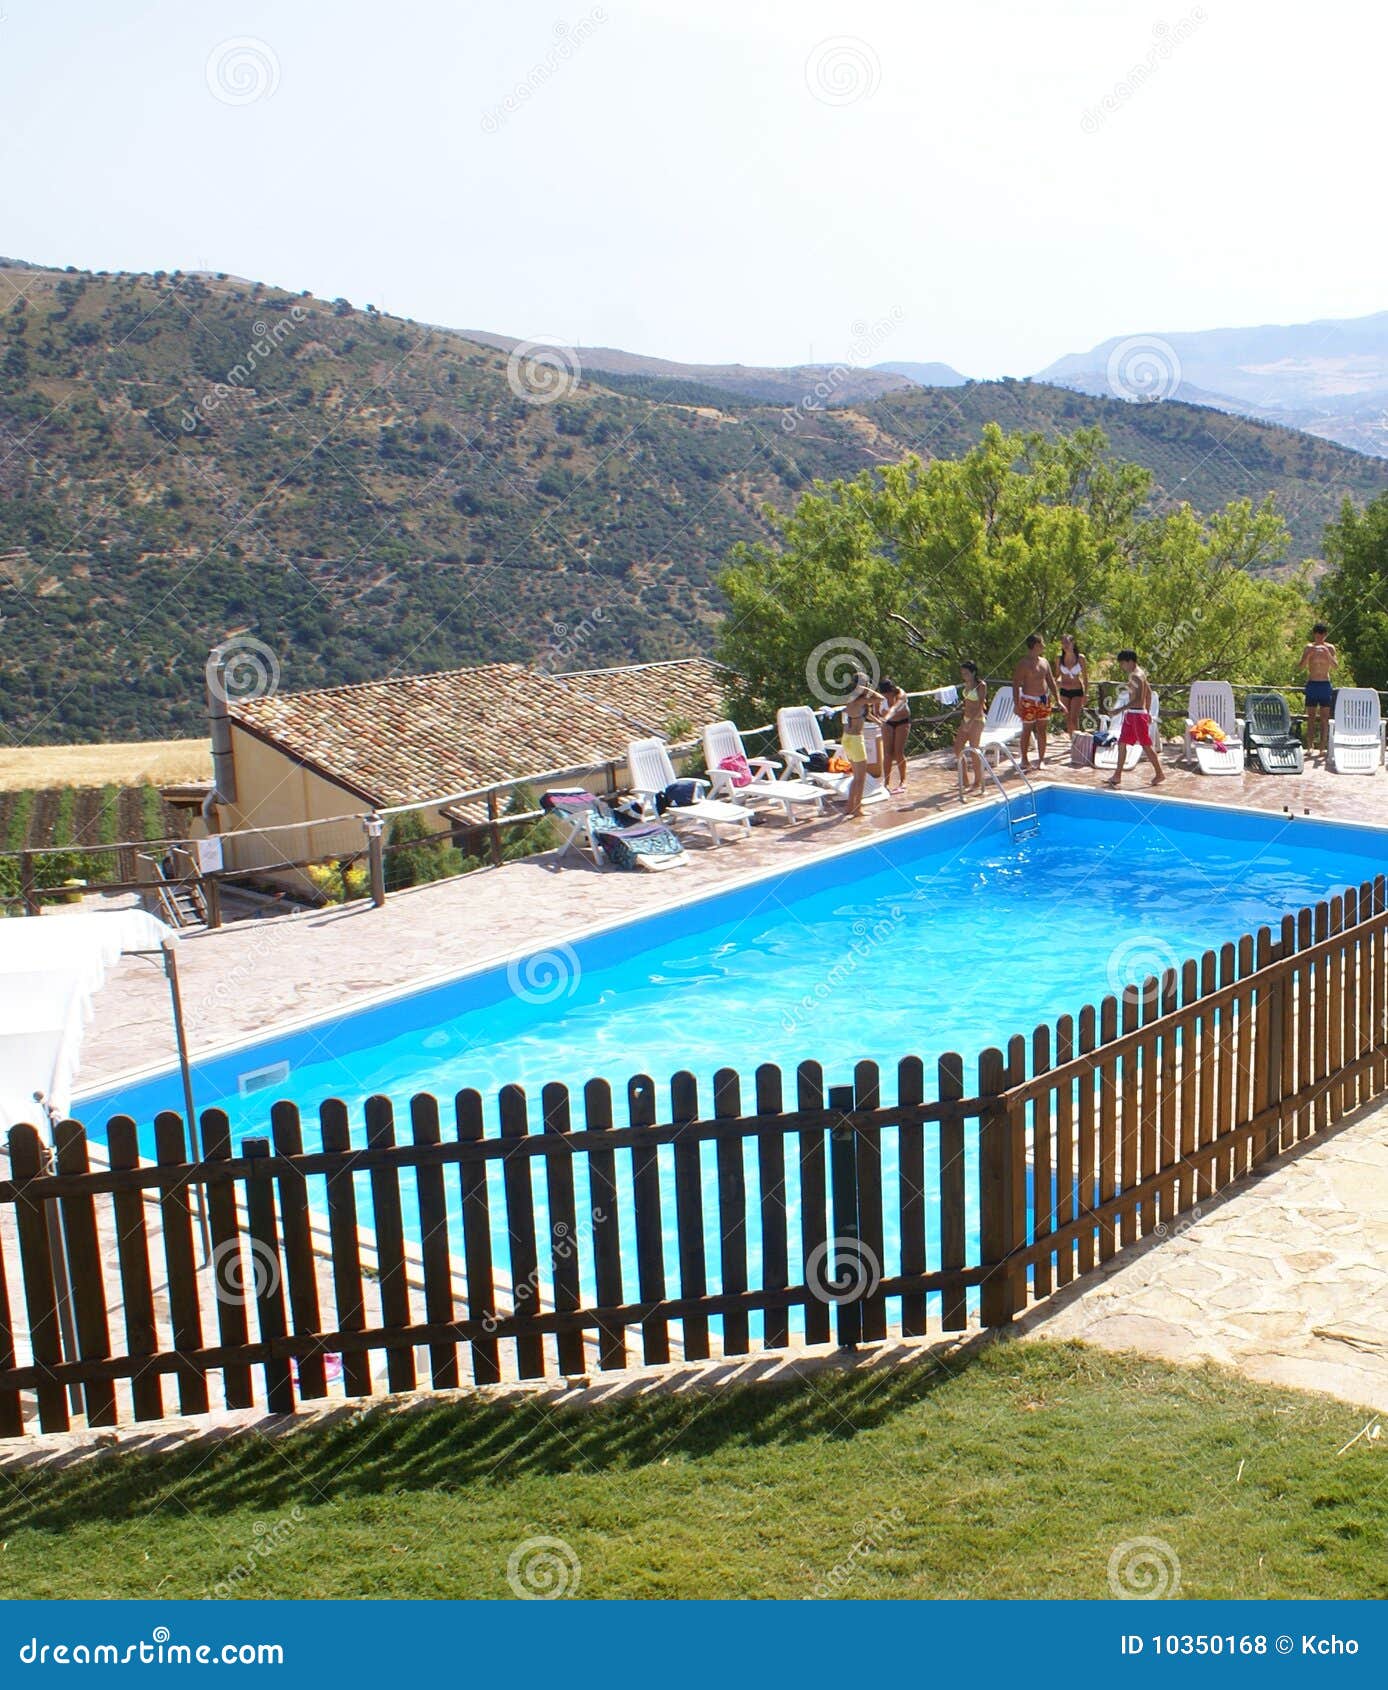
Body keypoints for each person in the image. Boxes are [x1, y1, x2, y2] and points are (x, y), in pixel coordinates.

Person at [1105, 650, 1165, 788]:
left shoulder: (1136, 676)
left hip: (1136, 715)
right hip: (1134, 714)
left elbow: (1138, 699)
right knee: (1122, 743)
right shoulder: (1140, 674)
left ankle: (1160, 773)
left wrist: (1119, 710)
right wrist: (1148, 712)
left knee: (1146, 745)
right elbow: (1149, 694)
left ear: (1129, 661)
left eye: (1122, 664)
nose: (1122, 667)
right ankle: (1117, 775)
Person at [839, 672, 884, 819]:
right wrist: (867, 688)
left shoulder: (855, 699)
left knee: (856, 776)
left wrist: (878, 722)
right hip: (855, 740)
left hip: (848, 738)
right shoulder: (859, 699)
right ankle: (857, 809)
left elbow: (864, 714)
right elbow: (880, 698)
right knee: (861, 777)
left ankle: (849, 807)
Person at [1012, 635, 1059, 770]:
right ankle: (1024, 759)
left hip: (1043, 699)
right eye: (1042, 643)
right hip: (1028, 700)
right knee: (1026, 730)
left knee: (1042, 730)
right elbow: (1015, 684)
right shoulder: (1023, 663)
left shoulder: (1044, 662)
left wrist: (1058, 699)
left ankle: (1041, 760)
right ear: (1035, 645)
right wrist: (1016, 704)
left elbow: (1051, 681)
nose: (1044, 646)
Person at [1298, 622, 1338, 757]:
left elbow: (1335, 666)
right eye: (1317, 636)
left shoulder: (1330, 648)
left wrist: (1327, 654)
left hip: (1325, 684)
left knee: (1325, 718)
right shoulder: (1308, 647)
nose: (1319, 639)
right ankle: (1310, 746)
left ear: (1325, 635)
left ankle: (1322, 747)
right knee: (1311, 717)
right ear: (1314, 635)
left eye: (1322, 636)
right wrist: (1308, 655)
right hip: (1312, 684)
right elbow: (1301, 666)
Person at [953, 661, 988, 792]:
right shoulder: (966, 684)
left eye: (966, 673)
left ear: (973, 672)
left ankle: (978, 781)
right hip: (966, 718)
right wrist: (965, 721)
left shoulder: (981, 685)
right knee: (958, 748)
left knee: (974, 750)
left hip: (977, 720)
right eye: (962, 673)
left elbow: (980, 706)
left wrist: (971, 722)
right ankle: (965, 779)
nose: (964, 676)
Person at [878, 679, 911, 793]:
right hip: (887, 724)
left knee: (898, 752)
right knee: (887, 753)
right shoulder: (879, 697)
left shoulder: (901, 694)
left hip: (902, 722)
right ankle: (886, 783)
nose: (886, 697)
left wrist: (886, 717)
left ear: (892, 691)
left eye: (888, 694)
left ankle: (903, 780)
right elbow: (875, 711)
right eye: (884, 695)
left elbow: (895, 708)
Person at [1056, 633, 1089, 737]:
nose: (1065, 645)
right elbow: (1057, 675)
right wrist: (1058, 681)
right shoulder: (1059, 658)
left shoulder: (1080, 658)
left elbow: (1085, 678)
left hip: (1077, 690)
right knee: (1067, 718)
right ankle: (1072, 740)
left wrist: (1086, 694)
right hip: (1064, 691)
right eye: (1063, 643)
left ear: (1073, 643)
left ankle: (1077, 742)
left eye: (1067, 642)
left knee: (1074, 718)